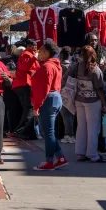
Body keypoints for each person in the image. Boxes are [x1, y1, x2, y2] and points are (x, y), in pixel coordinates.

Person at [31, 40, 68, 171]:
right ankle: (60, 157)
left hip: (48, 99)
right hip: (55, 98)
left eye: (41, 50)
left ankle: (49, 161)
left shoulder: (47, 66)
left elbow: (43, 89)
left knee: (48, 132)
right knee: (48, 132)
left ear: (46, 52)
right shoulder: (55, 65)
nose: (38, 53)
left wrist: (36, 106)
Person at [68, 45, 106, 163]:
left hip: (79, 99)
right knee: (93, 128)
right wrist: (104, 103)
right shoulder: (96, 70)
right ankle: (92, 154)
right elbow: (99, 89)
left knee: (81, 127)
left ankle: (80, 153)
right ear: (94, 54)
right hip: (93, 101)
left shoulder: (77, 66)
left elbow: (67, 77)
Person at [11, 39, 38, 139]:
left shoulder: (26, 54)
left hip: (22, 84)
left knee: (27, 109)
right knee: (29, 108)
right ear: (29, 46)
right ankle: (20, 130)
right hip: (24, 84)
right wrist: (34, 58)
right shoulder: (27, 54)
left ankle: (29, 132)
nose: (36, 48)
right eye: (34, 45)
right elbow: (26, 67)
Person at [58, 47, 75, 144]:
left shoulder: (61, 66)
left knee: (65, 114)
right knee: (70, 113)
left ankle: (69, 135)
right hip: (72, 91)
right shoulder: (72, 66)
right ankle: (69, 134)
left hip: (63, 90)